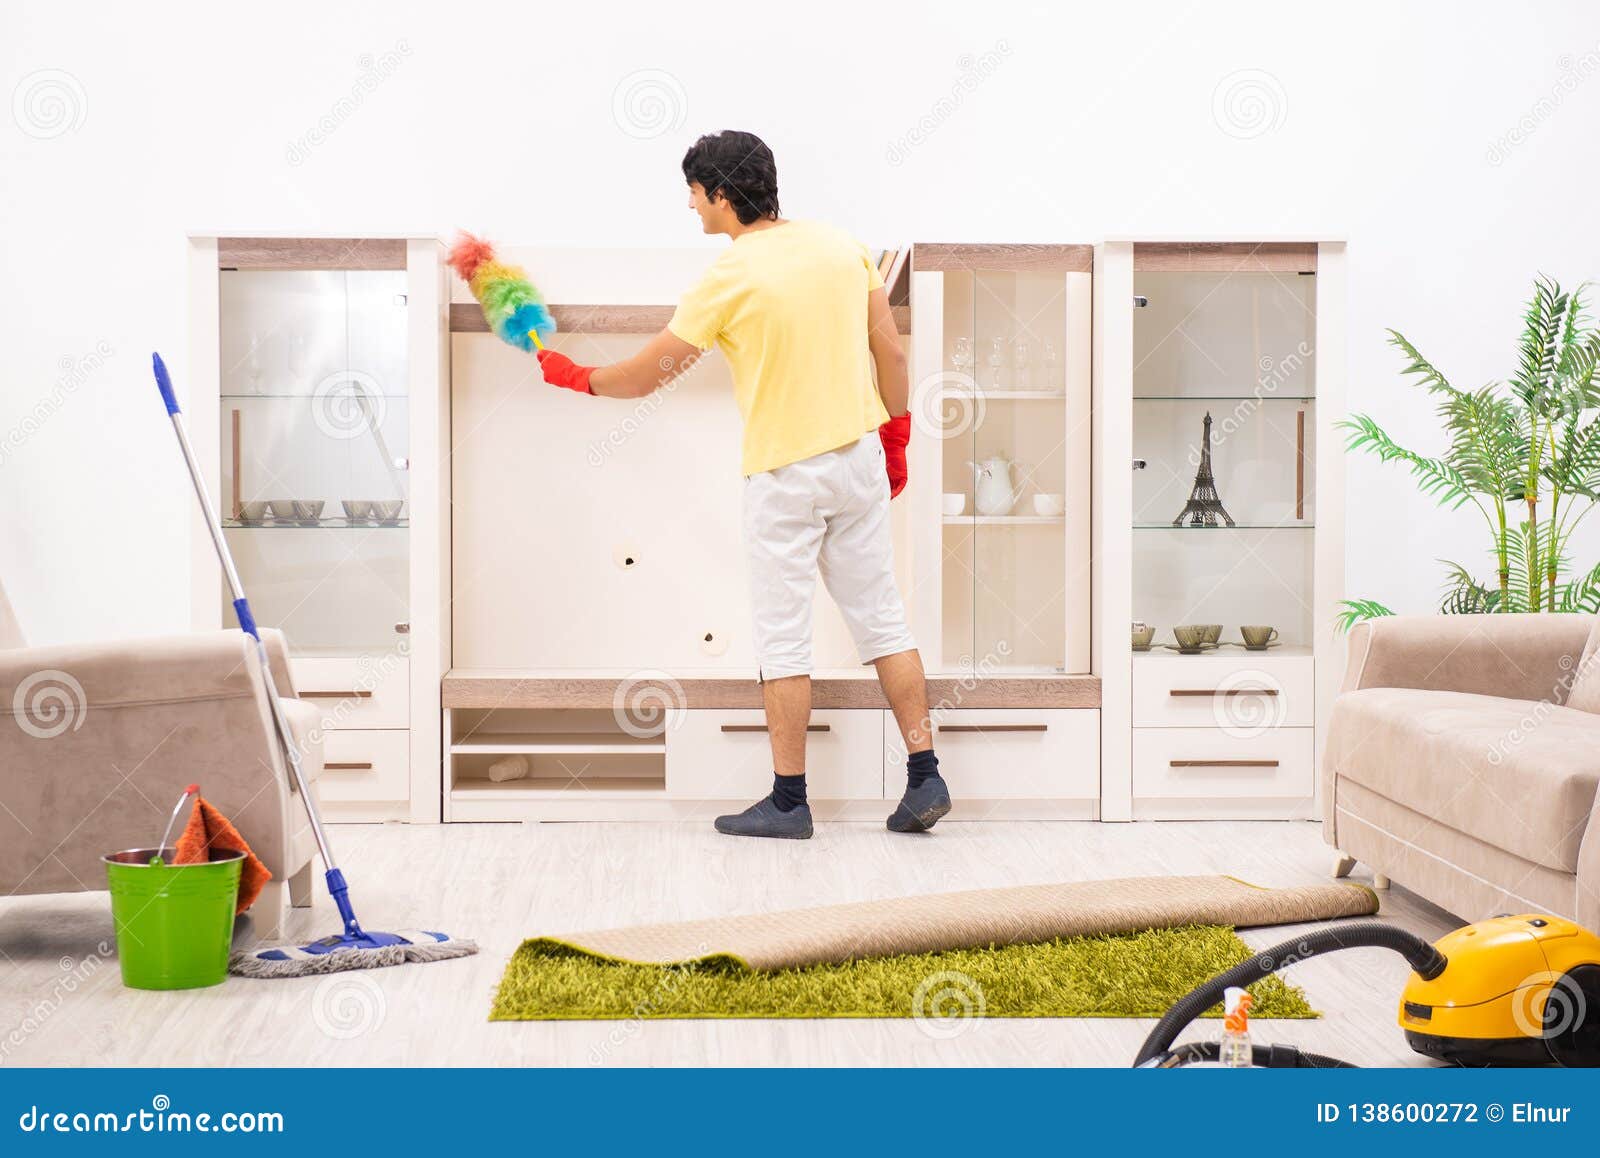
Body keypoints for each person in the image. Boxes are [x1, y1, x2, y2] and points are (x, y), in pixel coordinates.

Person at [532, 129, 948, 840]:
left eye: (694, 195)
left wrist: (574, 376)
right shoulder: (843, 247)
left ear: (722, 194)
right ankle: (925, 776)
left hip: (787, 474)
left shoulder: (728, 277)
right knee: (883, 621)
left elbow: (647, 374)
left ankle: (789, 802)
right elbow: (890, 350)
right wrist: (897, 435)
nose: (692, 210)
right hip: (859, 460)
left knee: (784, 640)